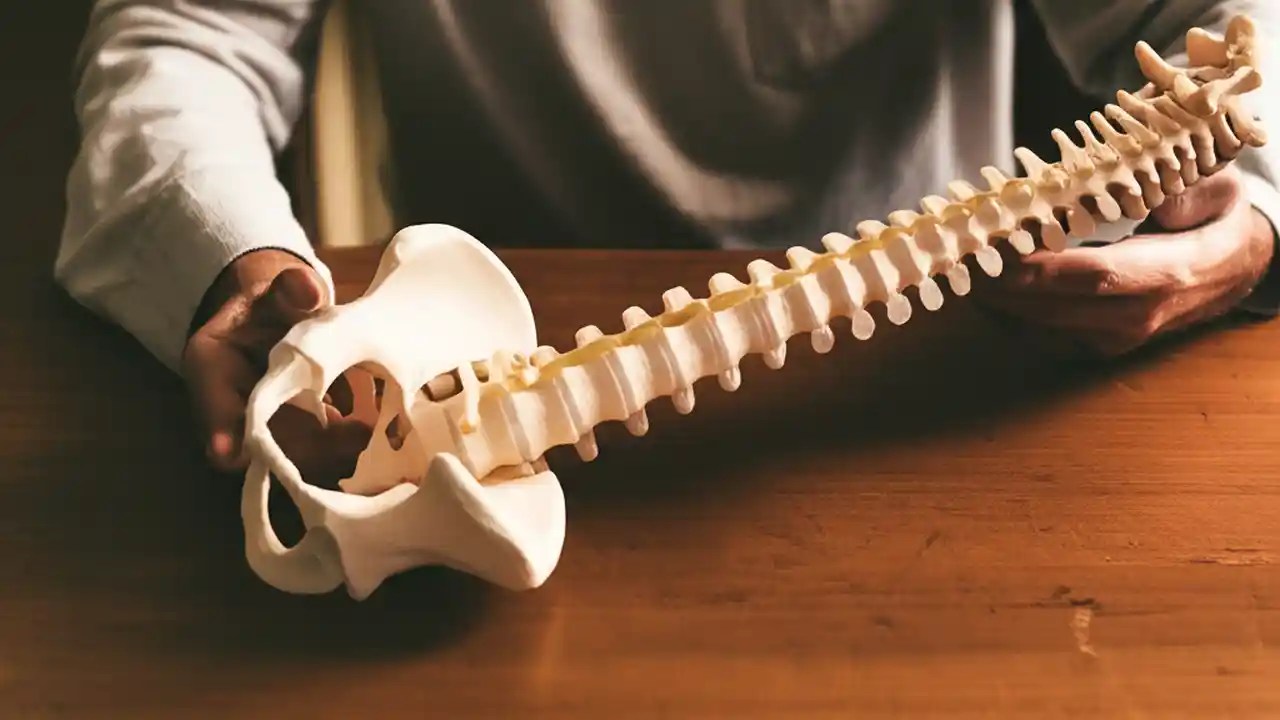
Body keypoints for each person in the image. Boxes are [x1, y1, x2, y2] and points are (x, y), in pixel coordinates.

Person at [57, 1, 1280, 478]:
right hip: (459, 412)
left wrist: (1256, 218)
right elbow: (179, 38)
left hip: (933, 398)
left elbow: (1224, 26)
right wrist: (226, 260)